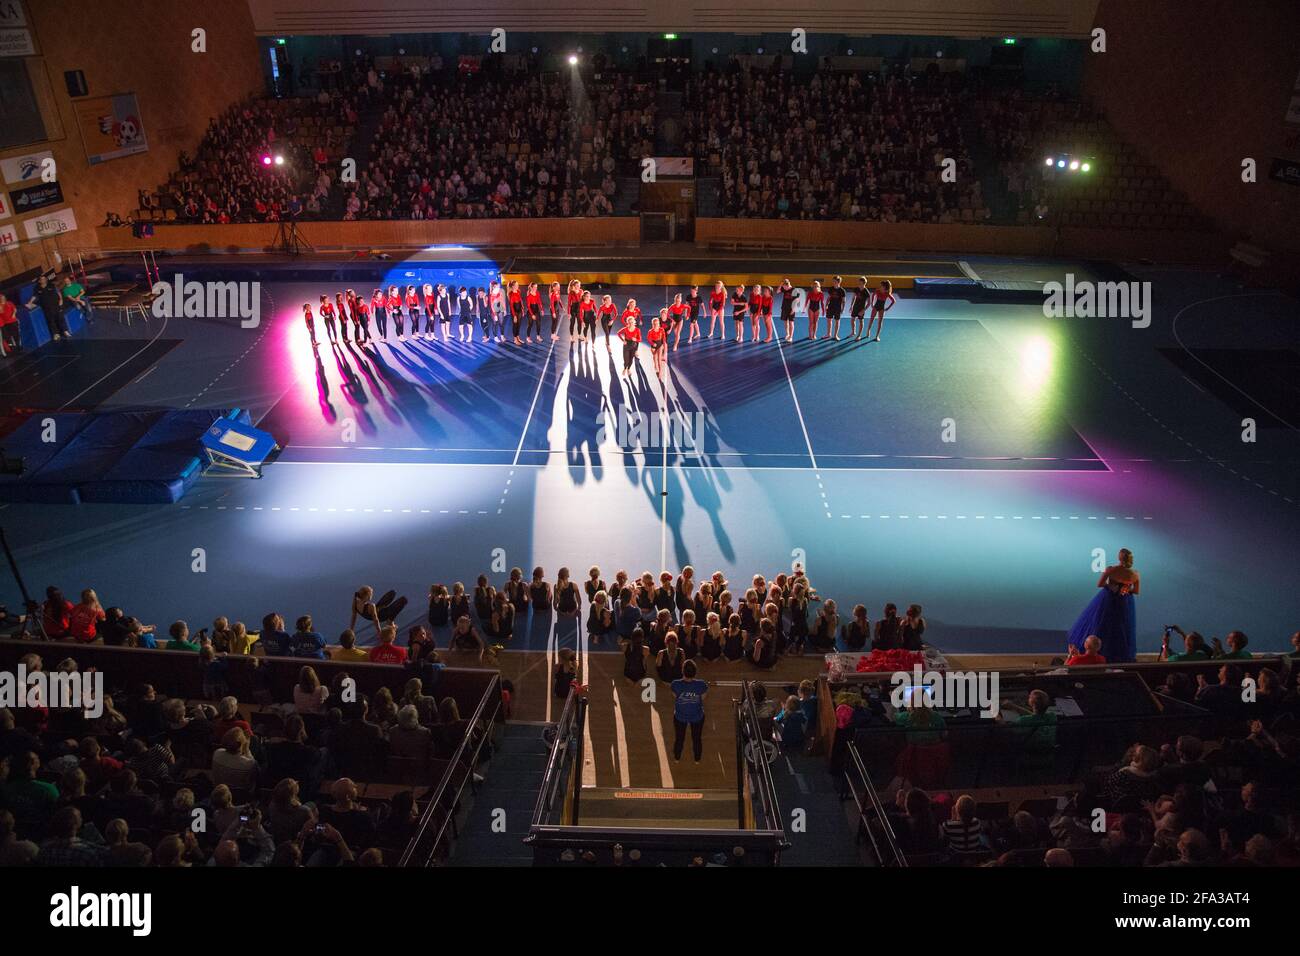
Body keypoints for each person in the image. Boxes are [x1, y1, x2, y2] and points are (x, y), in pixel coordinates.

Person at [1066, 548, 1139, 662]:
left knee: (1104, 626)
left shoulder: (1111, 570)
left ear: (1119, 558)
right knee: (1121, 629)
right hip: (1124, 603)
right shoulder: (1135, 574)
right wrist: (1124, 589)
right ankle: (1118, 657)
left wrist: (1112, 587)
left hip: (1109, 601)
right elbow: (1136, 591)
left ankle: (1097, 655)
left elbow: (1100, 584)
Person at [670, 660, 708, 762]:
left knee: (679, 738)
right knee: (697, 739)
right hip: (697, 716)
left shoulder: (675, 684)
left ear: (682, 671)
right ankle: (697, 759)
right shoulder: (702, 684)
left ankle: (677, 758)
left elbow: (675, 696)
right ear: (695, 672)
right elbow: (703, 698)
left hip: (680, 716)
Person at [25, 275, 69, 342]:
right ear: (39, 281)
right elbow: (34, 295)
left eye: (44, 279)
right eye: (42, 279)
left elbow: (58, 292)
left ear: (46, 280)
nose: (43, 280)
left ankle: (65, 331)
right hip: (46, 307)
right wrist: (30, 302)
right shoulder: (37, 288)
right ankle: (56, 334)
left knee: (60, 317)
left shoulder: (51, 285)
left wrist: (61, 299)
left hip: (56, 304)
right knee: (51, 320)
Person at [618, 310, 641, 377]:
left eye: (632, 322)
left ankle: (629, 369)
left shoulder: (637, 330)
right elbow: (618, 333)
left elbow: (640, 339)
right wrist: (623, 340)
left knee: (631, 360)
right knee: (626, 359)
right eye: (629, 322)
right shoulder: (625, 329)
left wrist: (636, 339)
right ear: (627, 323)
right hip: (626, 345)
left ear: (634, 322)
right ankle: (625, 368)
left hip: (633, 345)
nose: (631, 323)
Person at [826, 275, 845, 340]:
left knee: (837, 321)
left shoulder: (842, 290)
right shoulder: (831, 289)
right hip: (831, 306)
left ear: (838, 282)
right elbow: (828, 297)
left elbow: (843, 301)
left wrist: (842, 309)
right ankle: (828, 334)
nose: (833, 282)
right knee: (829, 320)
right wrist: (826, 305)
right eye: (833, 281)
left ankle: (835, 335)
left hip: (838, 308)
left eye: (834, 281)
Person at [648, 312, 667, 379]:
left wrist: (664, 344)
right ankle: (655, 365)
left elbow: (664, 338)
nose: (656, 325)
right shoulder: (650, 331)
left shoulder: (661, 330)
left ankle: (660, 371)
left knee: (659, 358)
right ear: (653, 324)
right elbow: (649, 339)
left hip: (659, 344)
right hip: (653, 345)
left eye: (657, 323)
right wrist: (653, 344)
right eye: (654, 324)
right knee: (654, 357)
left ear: (659, 324)